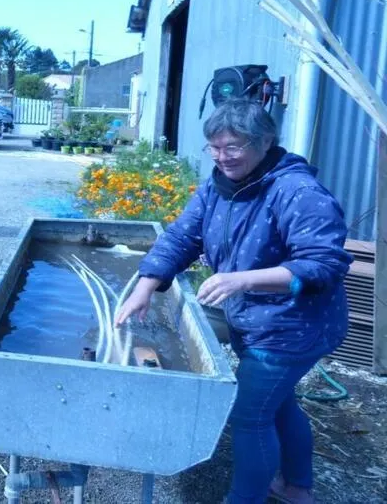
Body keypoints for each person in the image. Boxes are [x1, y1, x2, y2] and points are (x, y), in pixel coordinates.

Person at [115, 99, 351, 504]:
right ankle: (297, 487)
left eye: (233, 147)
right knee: (279, 403)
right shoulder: (219, 185)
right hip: (255, 319)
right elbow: (182, 236)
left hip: (293, 326)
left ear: (265, 142)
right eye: (215, 147)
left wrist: (243, 279)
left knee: (250, 415)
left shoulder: (297, 191)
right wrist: (146, 285)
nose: (222, 157)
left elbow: (324, 265)